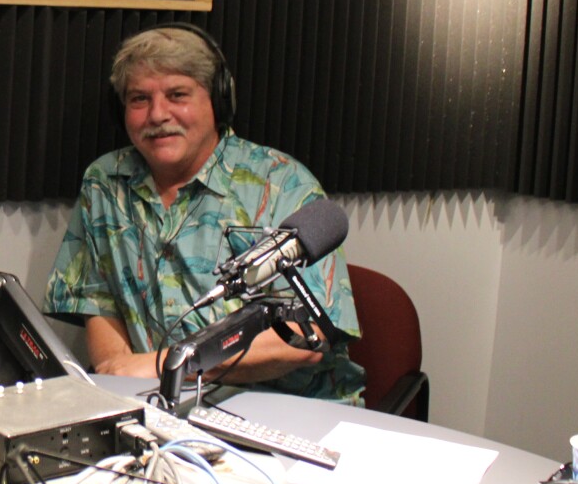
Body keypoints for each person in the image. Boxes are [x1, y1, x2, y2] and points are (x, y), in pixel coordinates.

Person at [44, 26, 362, 401]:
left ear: (218, 101)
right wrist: (117, 379)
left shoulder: (282, 183)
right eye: (139, 99)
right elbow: (96, 301)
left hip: (288, 410)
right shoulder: (105, 183)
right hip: (161, 404)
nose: (157, 114)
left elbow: (307, 335)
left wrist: (166, 366)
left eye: (177, 95)